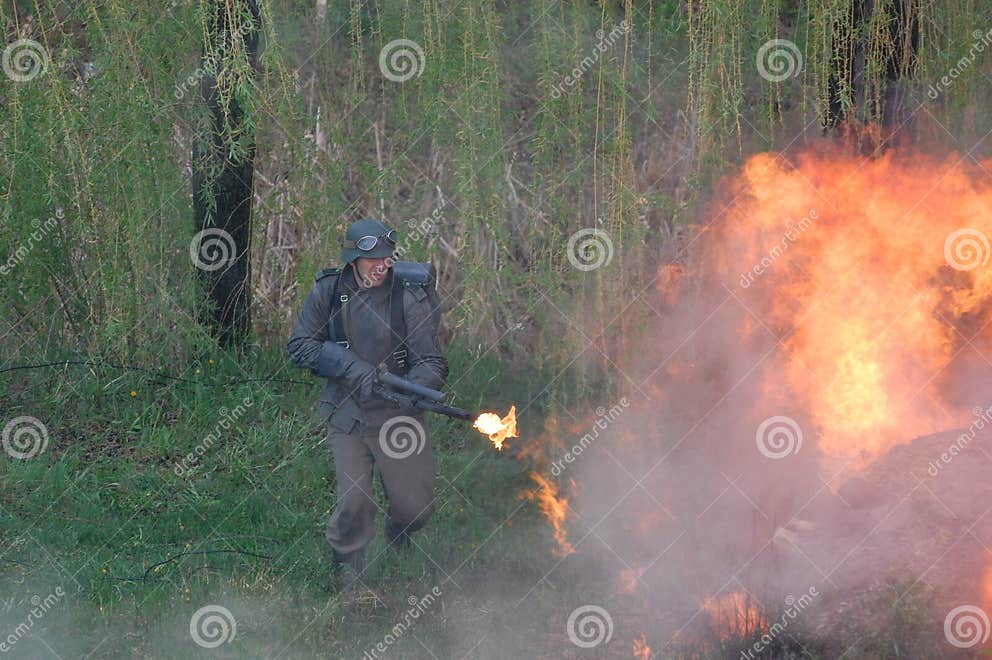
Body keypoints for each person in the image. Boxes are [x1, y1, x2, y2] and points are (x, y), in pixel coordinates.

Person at [286, 218, 448, 589]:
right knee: (354, 503)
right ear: (352, 259)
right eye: (372, 259)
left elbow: (431, 360)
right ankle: (348, 572)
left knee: (415, 507)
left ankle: (399, 537)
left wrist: (415, 389)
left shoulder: (410, 295)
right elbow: (300, 346)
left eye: (387, 258)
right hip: (349, 415)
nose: (382, 265)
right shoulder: (328, 291)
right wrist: (353, 369)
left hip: (399, 415)